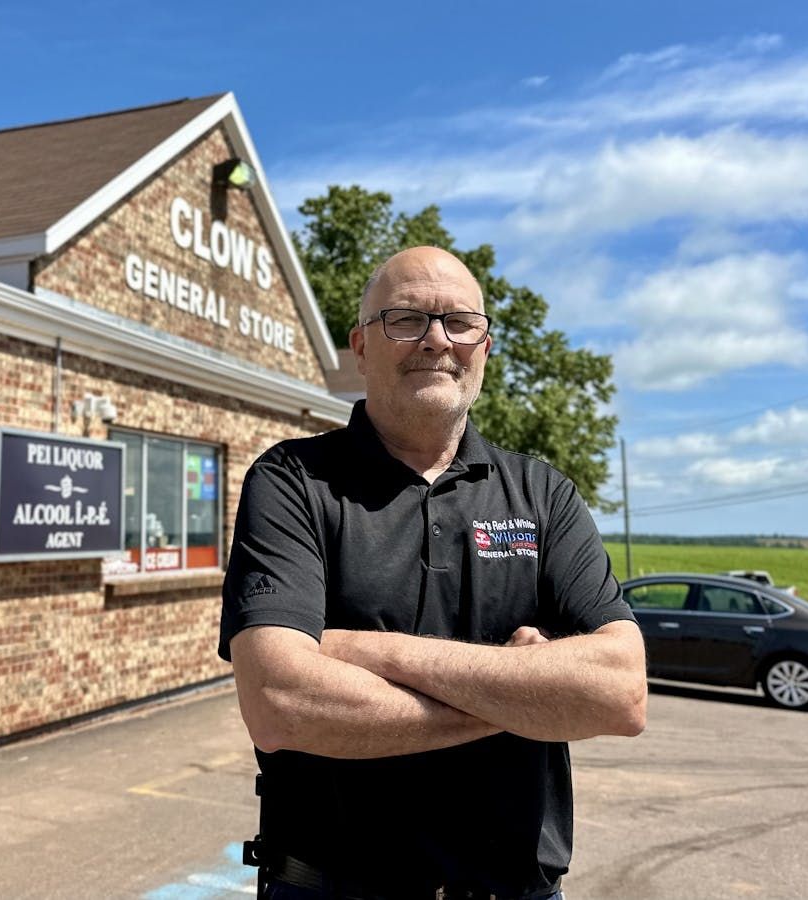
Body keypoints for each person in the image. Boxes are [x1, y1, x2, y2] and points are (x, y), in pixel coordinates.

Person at [220, 247, 647, 900]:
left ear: (485, 347)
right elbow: (281, 704)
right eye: (406, 320)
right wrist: (527, 696)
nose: (435, 341)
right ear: (360, 346)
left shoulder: (543, 494)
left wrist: (367, 651)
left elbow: (620, 693)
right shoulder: (293, 483)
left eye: (458, 322)